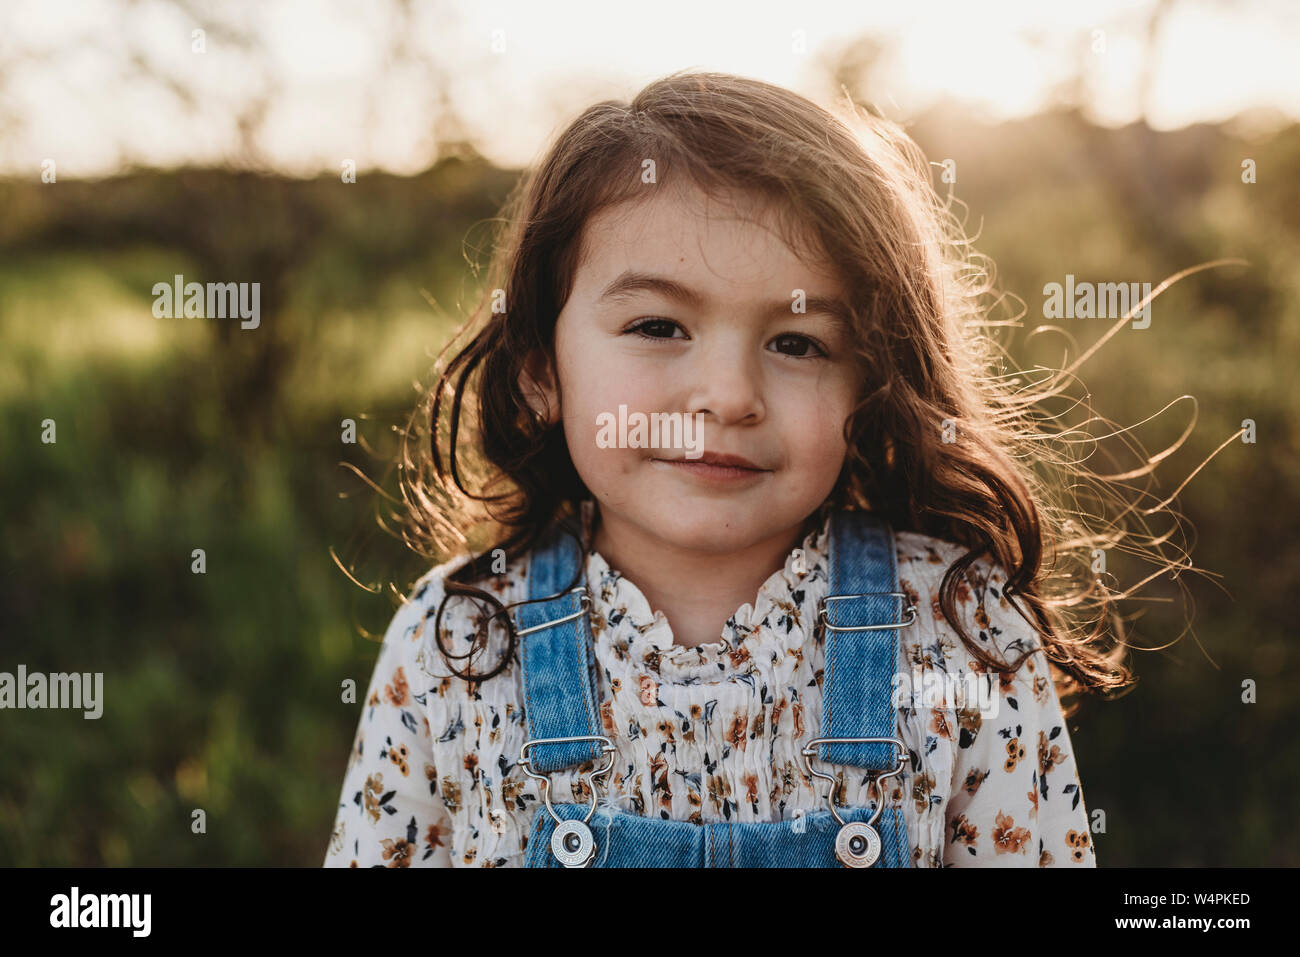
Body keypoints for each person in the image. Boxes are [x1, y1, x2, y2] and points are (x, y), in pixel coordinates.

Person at [324, 70, 1129, 868]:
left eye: (796, 343)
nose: (730, 395)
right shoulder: (455, 642)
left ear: (872, 382)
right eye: (658, 325)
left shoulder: (963, 632)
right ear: (540, 370)